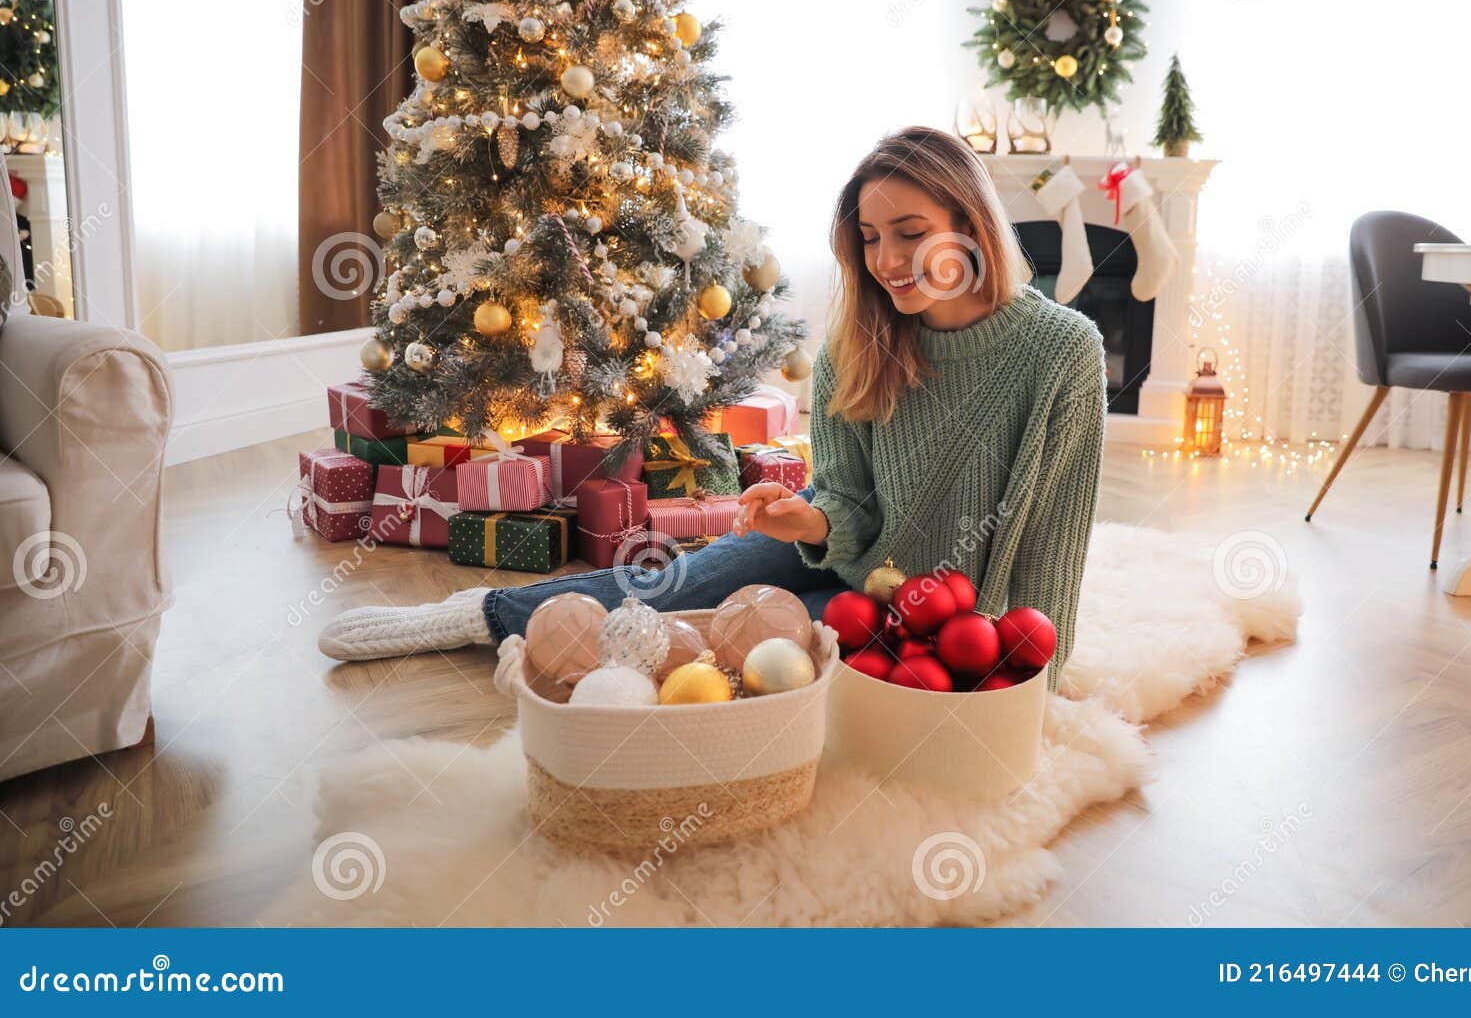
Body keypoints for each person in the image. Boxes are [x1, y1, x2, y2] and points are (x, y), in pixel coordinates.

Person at [319, 126, 1106, 686]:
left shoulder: (1061, 352)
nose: (888, 261)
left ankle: (563, 638)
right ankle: (486, 614)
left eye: (911, 232)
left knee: (754, 633)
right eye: (870, 237)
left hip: (932, 609)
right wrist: (809, 519)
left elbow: (1055, 539)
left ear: (970, 225)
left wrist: (1034, 672)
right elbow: (847, 499)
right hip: (848, 554)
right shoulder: (859, 344)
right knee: (692, 577)